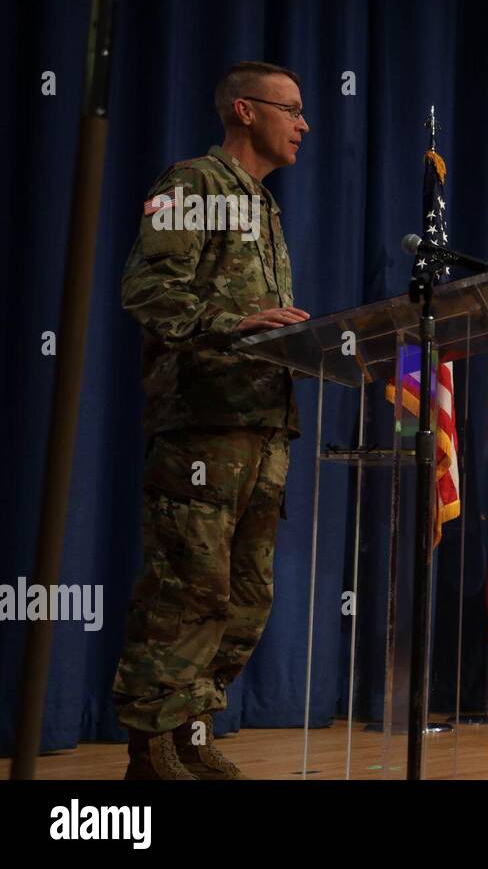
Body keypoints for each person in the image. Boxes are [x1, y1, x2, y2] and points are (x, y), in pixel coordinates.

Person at [113, 61, 312, 779]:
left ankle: (193, 725)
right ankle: (151, 743)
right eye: (291, 109)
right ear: (244, 110)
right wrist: (237, 324)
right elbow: (147, 291)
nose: (304, 123)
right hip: (202, 426)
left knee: (247, 594)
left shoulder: (263, 205)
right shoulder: (192, 184)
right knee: (188, 585)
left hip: (262, 426)